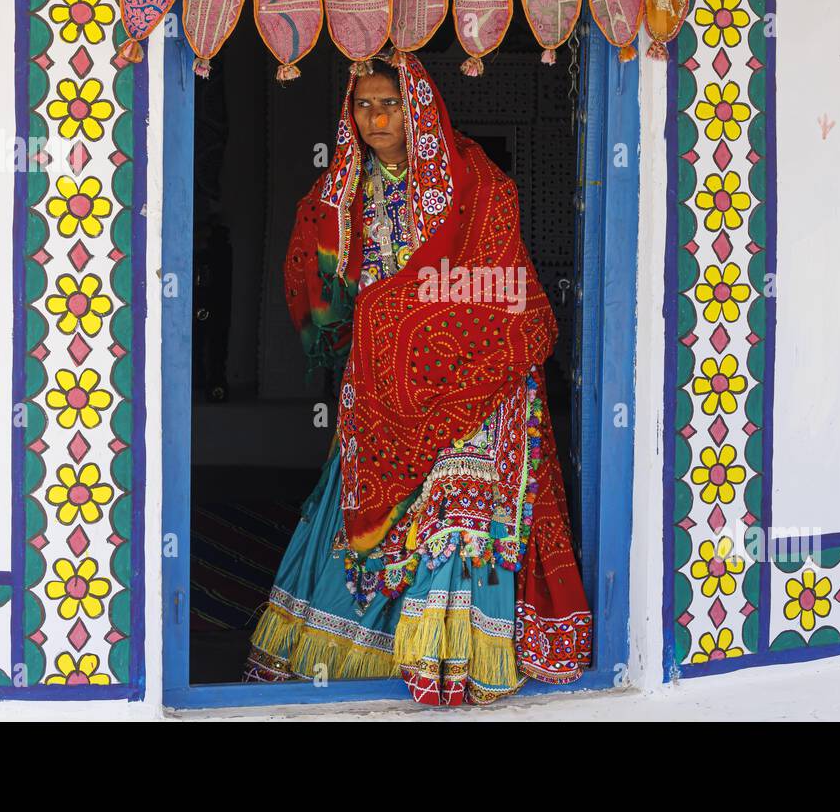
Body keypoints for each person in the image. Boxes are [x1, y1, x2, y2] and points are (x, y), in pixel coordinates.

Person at [242, 50, 591, 706]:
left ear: (419, 109)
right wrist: (359, 308)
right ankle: (354, 662)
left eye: (389, 103)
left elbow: (504, 287)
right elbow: (322, 298)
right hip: (381, 392)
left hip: (468, 385)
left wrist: (409, 316)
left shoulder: (477, 185)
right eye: (363, 106)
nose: (375, 118)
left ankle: (446, 659)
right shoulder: (340, 196)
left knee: (453, 518)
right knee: (359, 518)